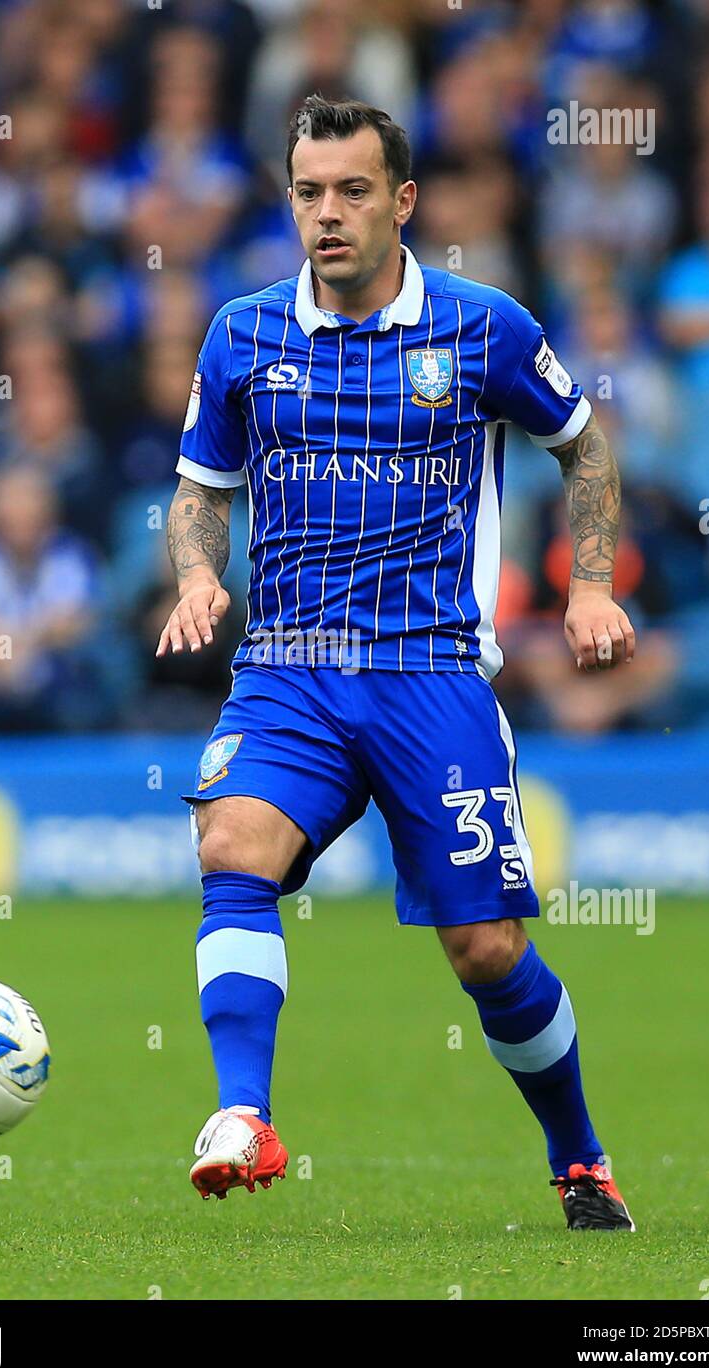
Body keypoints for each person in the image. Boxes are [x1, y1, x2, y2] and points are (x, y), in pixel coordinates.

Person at [157, 96, 636, 1231]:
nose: (329, 214)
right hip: (290, 665)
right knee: (232, 840)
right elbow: (197, 492)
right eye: (310, 192)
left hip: (431, 670)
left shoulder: (484, 328)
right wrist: (195, 575)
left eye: (353, 191)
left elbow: (585, 447)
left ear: (403, 201)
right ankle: (242, 1116)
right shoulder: (242, 336)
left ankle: (579, 1156)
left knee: (484, 949)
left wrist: (594, 583)